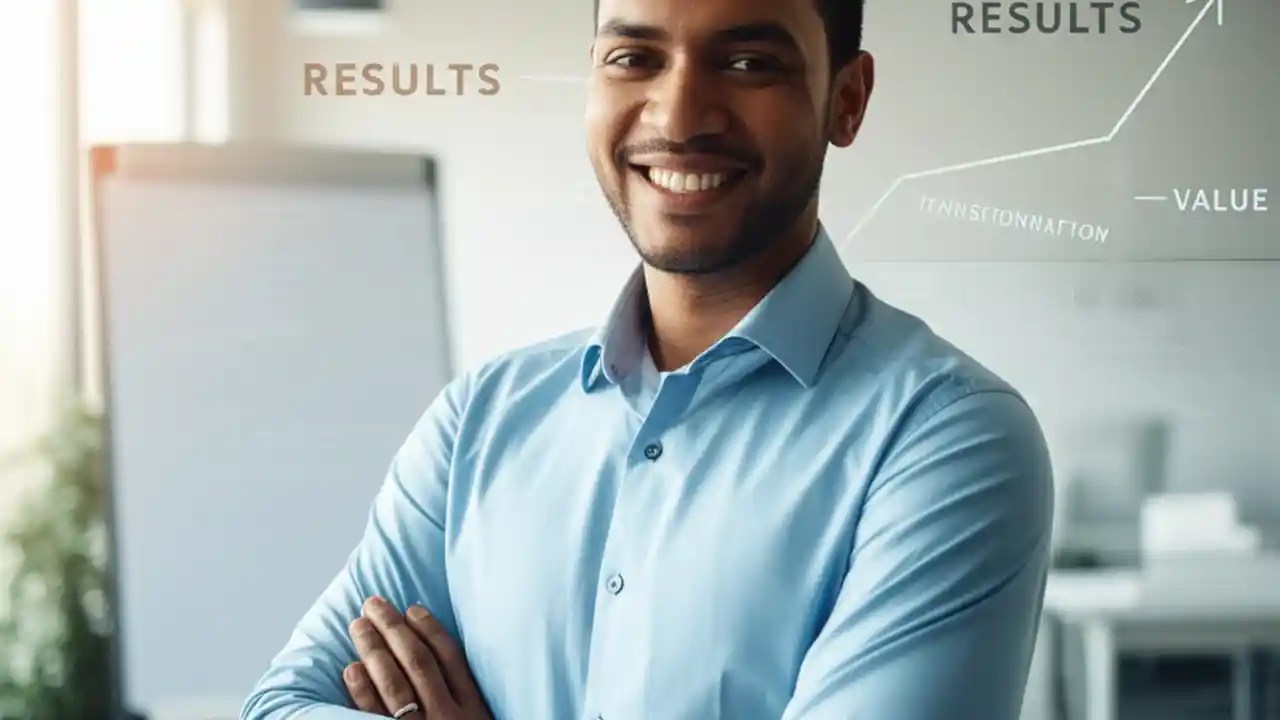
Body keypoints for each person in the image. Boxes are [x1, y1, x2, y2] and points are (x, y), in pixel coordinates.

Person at [240, 0, 1054, 718]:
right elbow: (280, 704)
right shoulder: (478, 422)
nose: (681, 112)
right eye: (634, 58)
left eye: (747, 63)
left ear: (846, 100)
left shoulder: (948, 440)